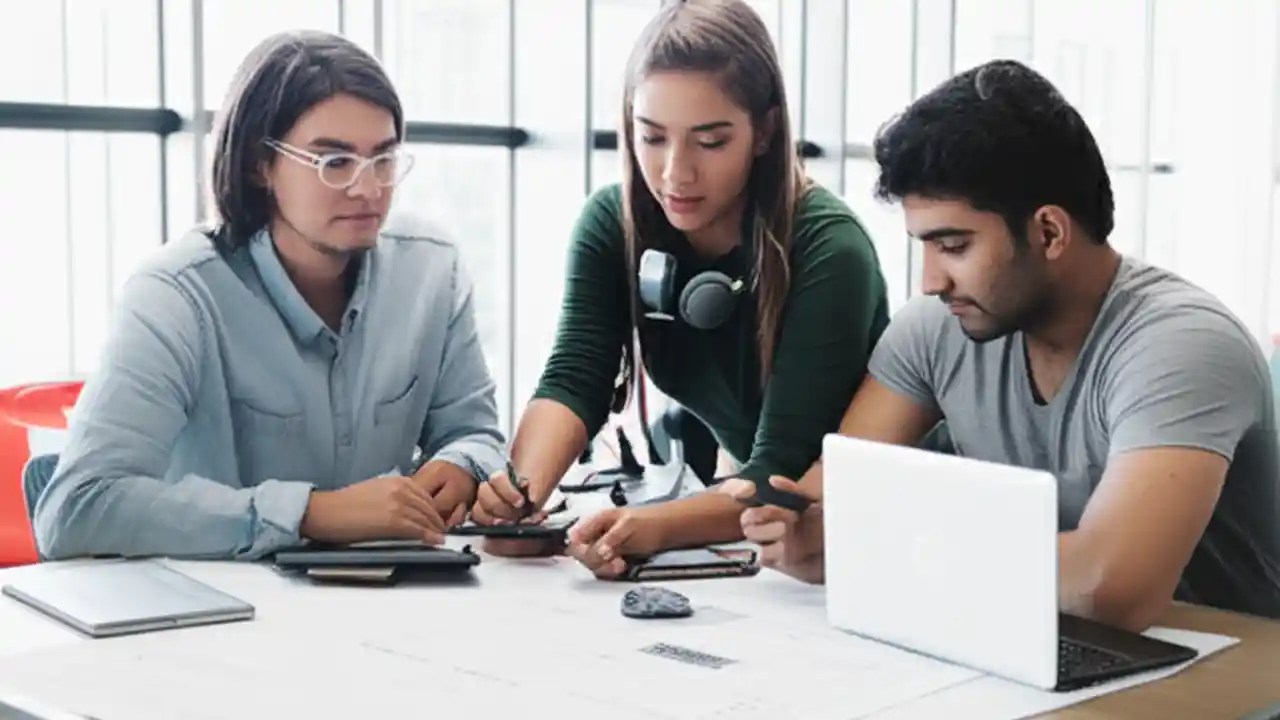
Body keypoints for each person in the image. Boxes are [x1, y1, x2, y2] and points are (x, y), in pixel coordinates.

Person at [732, 59, 1280, 630]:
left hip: (1219, 683)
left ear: (1048, 232)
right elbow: (831, 498)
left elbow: (1110, 587)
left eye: (954, 245)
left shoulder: (1183, 346)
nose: (930, 281)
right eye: (924, 246)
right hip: (1023, 641)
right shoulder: (936, 329)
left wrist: (876, 543)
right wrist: (798, 530)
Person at [33, 31, 505, 560]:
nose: (369, 190)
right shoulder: (175, 295)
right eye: (335, 163)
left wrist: (463, 466)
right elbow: (77, 509)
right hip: (217, 619)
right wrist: (311, 513)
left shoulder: (431, 269)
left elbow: (477, 433)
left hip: (389, 608)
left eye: (384, 160)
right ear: (262, 164)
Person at [472, 0, 890, 578]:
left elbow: (779, 470)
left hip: (871, 520)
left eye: (710, 141)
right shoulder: (612, 223)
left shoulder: (830, 250)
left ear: (764, 131)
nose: (675, 172)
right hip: (767, 529)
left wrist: (652, 526)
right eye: (652, 138)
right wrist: (519, 499)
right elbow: (574, 379)